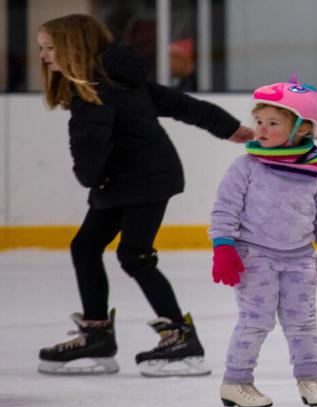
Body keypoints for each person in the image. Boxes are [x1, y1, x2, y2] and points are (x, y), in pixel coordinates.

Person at [33, 13, 251, 376]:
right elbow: (181, 104)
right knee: (85, 246)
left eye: (50, 48)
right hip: (129, 179)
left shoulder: (98, 89)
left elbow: (89, 146)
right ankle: (96, 334)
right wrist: (227, 127)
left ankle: (180, 338)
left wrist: (92, 177)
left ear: (74, 47)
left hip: (143, 179)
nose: (44, 56)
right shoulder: (115, 79)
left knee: (134, 256)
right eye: (41, 48)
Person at [207, 75, 317, 407]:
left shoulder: (316, 170)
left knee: (303, 322)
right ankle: (236, 381)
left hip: (299, 259)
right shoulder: (246, 167)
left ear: (301, 129)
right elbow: (225, 209)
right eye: (258, 122)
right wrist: (223, 247)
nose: (261, 129)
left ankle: (310, 378)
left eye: (272, 123)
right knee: (256, 320)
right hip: (254, 256)